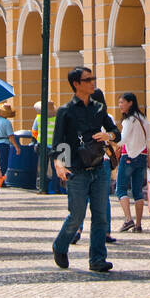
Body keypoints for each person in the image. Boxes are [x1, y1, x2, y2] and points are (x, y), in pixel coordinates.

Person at [51, 66, 120, 274]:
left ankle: (98, 259)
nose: (92, 82)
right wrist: (59, 164)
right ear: (76, 84)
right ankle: (60, 246)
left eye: (93, 78)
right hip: (77, 171)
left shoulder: (99, 108)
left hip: (99, 168)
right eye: (88, 79)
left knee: (100, 216)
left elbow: (114, 130)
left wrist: (110, 136)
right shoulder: (65, 111)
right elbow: (58, 143)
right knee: (77, 215)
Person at [116, 92, 150, 234]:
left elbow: (122, 141)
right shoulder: (143, 119)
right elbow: (148, 141)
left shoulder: (128, 121)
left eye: (122, 102)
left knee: (121, 189)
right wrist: (149, 158)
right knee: (137, 191)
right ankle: (138, 224)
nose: (120, 106)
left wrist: (110, 139)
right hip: (142, 156)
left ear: (130, 103)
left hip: (128, 156)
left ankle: (128, 219)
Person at [32, 100, 61, 194]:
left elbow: (34, 131)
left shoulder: (38, 118)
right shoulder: (57, 118)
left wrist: (38, 139)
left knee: (42, 168)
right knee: (55, 168)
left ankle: (42, 188)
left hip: (42, 146)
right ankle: (56, 189)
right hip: (54, 146)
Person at [0, 103, 21, 176]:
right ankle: (0, 179)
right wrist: (16, 147)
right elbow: (11, 136)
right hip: (3, 144)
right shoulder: (7, 122)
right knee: (3, 163)